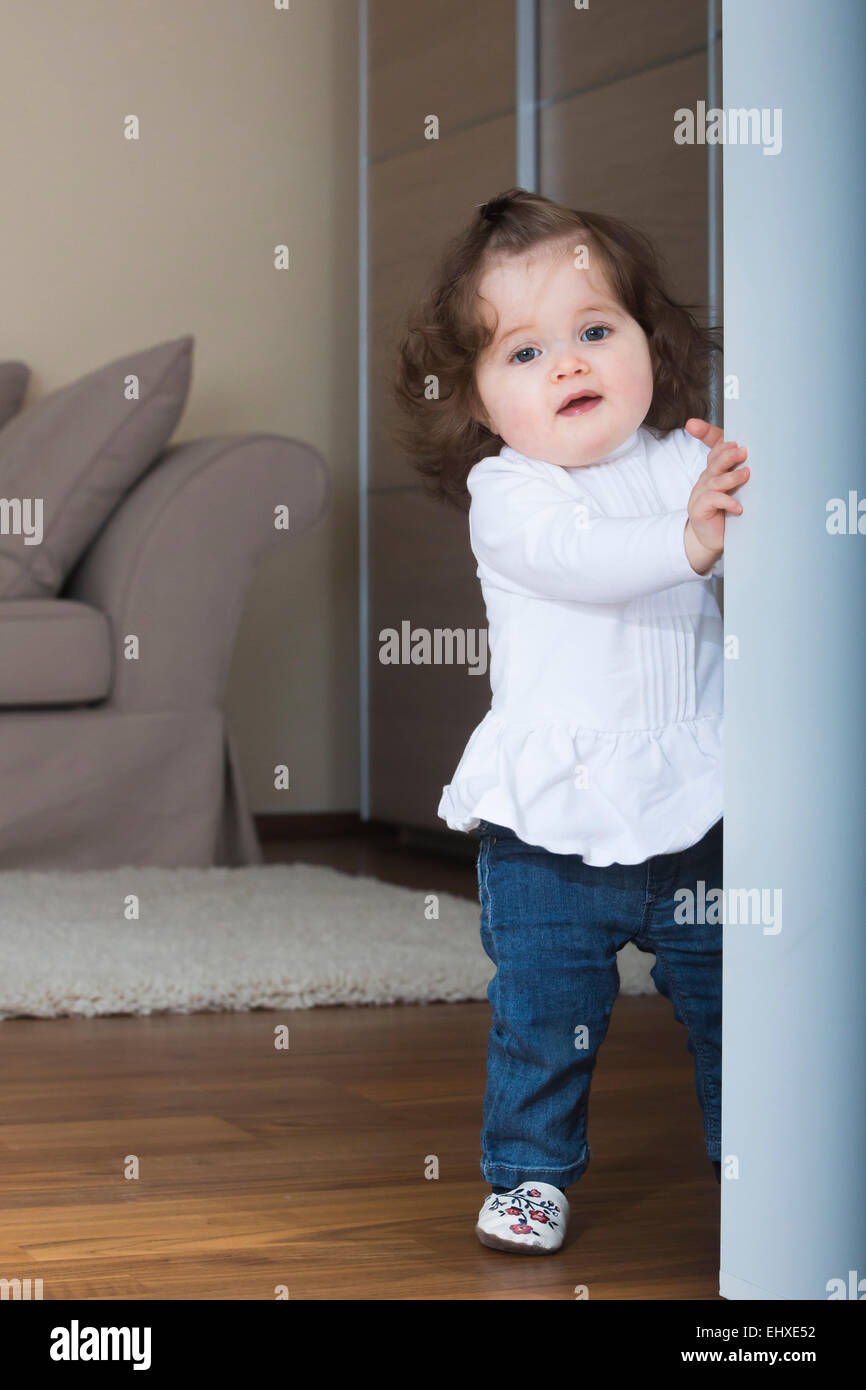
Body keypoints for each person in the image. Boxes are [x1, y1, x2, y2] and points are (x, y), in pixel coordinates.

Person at [392, 188, 749, 1255]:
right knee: (547, 1008)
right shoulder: (511, 494)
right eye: (523, 352)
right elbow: (584, 566)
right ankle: (530, 1172)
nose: (567, 364)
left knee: (737, 994)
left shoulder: (682, 464)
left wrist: (739, 488)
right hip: (551, 823)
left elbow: (758, 532)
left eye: (595, 331)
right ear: (476, 405)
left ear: (650, 341)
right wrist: (687, 540)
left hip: (700, 801)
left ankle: (757, 1148)